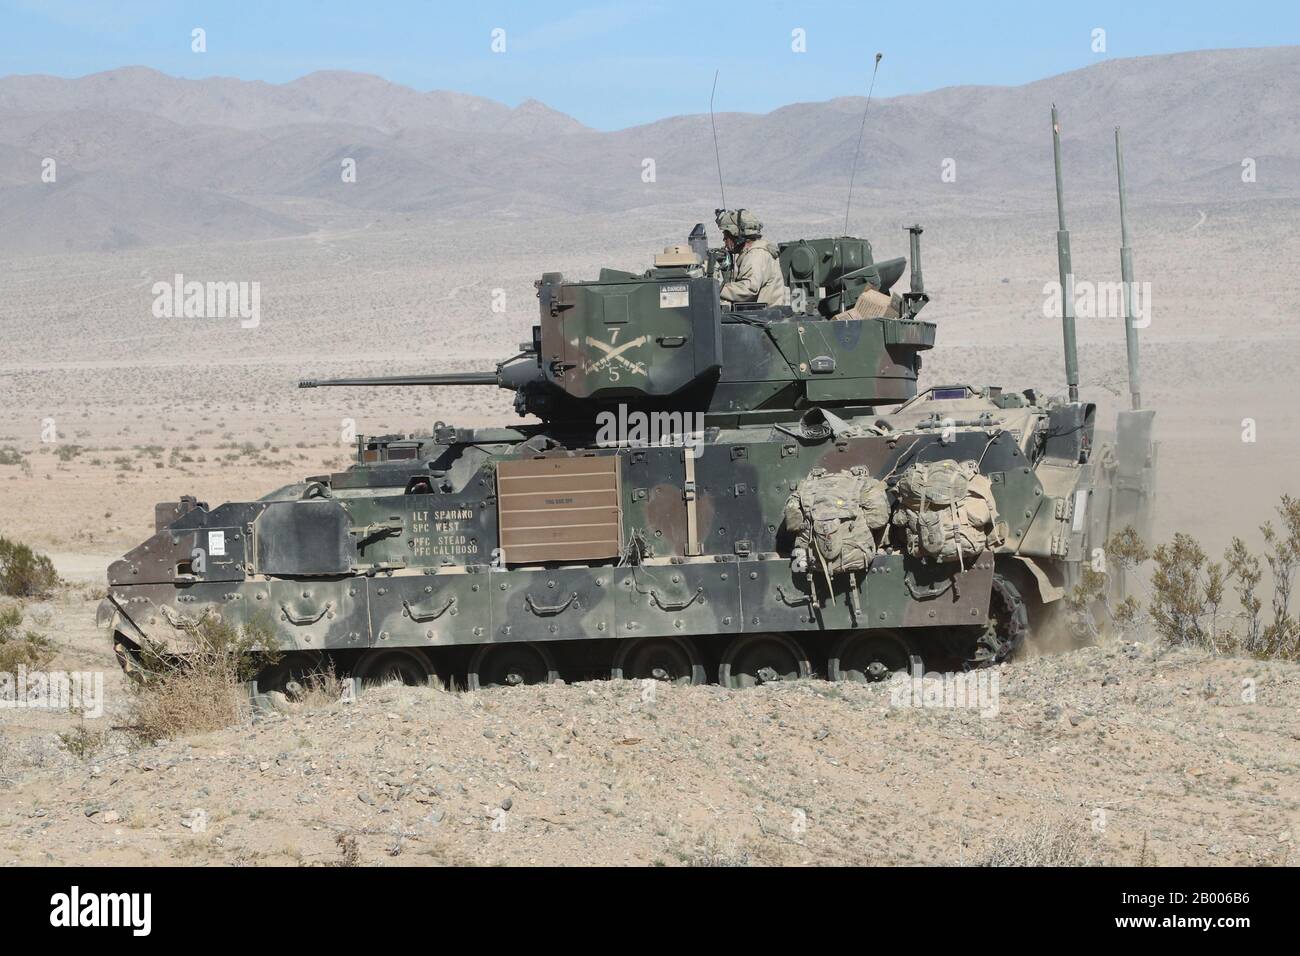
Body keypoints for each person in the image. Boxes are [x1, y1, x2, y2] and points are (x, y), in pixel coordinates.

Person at [715, 209, 790, 306]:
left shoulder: (756, 255)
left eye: (726, 236)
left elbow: (748, 289)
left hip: (763, 317)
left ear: (736, 236)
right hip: (761, 315)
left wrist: (716, 289)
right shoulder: (753, 252)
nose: (724, 240)